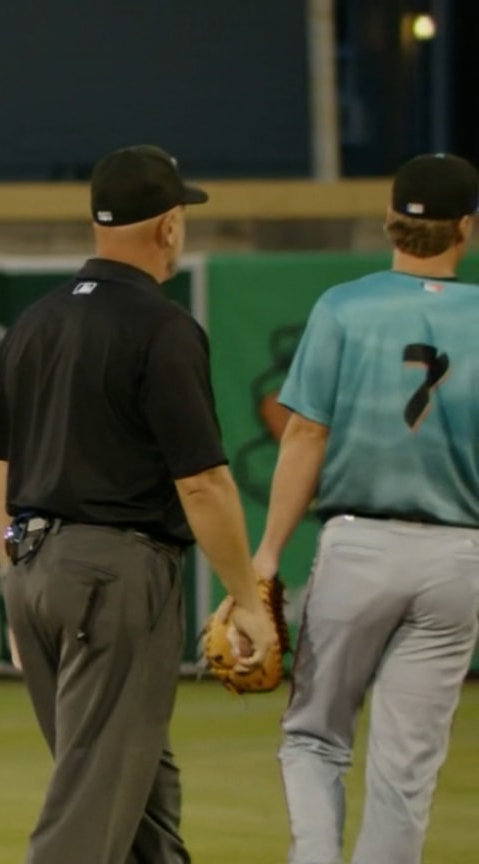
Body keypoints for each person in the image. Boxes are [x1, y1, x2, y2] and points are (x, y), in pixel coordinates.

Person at [0, 144, 280, 864]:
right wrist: (246, 599)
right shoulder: (163, 328)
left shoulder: (35, 323)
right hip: (112, 577)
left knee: (139, 789)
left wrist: (13, 576)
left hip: (35, 572)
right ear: (170, 224)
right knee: (89, 807)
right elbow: (202, 482)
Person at [253, 152, 479, 864]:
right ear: (466, 228)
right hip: (457, 559)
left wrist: (264, 554)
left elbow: (306, 435)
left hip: (358, 546)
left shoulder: (344, 306)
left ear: (389, 220)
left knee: (315, 738)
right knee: (405, 771)